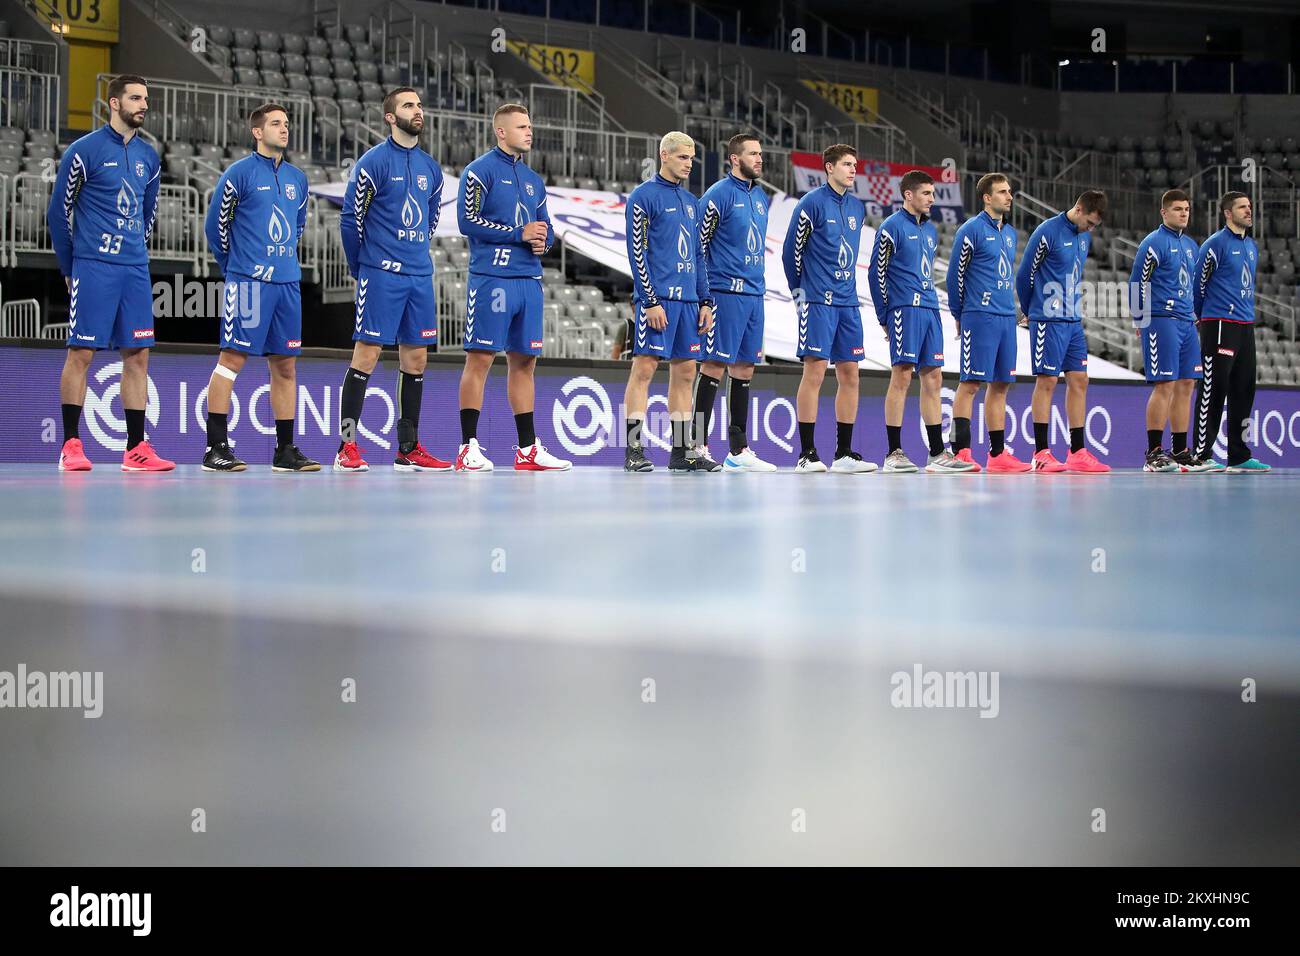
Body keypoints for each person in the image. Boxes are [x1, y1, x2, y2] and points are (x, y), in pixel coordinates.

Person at [50, 74, 174, 472]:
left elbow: (147, 213)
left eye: (146, 98)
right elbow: (58, 212)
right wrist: (71, 267)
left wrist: (137, 249)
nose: (144, 104)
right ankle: (70, 444)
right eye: (135, 98)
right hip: (94, 266)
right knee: (81, 352)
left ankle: (136, 448)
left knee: (138, 356)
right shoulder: (83, 151)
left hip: (134, 269)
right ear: (114, 104)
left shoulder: (149, 157)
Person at [336, 87, 449, 473]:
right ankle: (346, 446)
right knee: (366, 356)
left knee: (416, 361)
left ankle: (408, 448)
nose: (418, 110)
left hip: (418, 274)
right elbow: (350, 219)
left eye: (419, 104)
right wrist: (360, 265)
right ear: (389, 116)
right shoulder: (372, 162)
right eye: (408, 105)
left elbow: (431, 217)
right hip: (380, 273)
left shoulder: (431, 168)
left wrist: (414, 250)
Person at [201, 102, 318, 472]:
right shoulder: (239, 174)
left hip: (287, 283)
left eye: (286, 123)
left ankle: (285, 451)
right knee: (231, 361)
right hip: (249, 282)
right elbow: (215, 227)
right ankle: (215, 447)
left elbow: (297, 226)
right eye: (275, 124)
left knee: (286, 367)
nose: (284, 129)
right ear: (257, 131)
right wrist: (235, 266)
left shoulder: (299, 179)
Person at [454, 103, 570, 472]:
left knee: (525, 363)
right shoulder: (478, 172)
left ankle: (527, 449)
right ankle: (466, 446)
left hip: (529, 281)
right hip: (493, 280)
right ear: (501, 131)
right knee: (481, 359)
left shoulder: (534, 180)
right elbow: (467, 222)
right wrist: (518, 234)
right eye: (522, 126)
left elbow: (547, 227)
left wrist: (543, 241)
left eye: (530, 126)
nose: (529, 132)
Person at [782, 143, 875, 474]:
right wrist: (800, 295)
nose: (853, 169)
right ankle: (806, 453)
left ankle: (843, 452)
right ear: (829, 168)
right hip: (818, 300)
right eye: (847, 164)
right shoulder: (811, 204)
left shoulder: (857, 208)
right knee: (816, 371)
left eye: (855, 164)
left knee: (851, 373)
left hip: (848, 303)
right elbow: (791, 253)